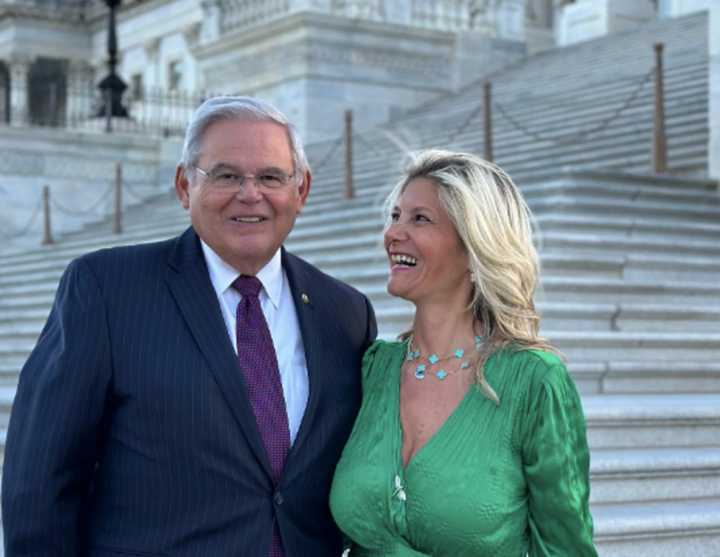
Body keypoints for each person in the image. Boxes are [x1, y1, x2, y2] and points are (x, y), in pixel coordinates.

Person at [2, 96, 377, 556]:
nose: (250, 193)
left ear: (301, 190)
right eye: (225, 175)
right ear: (184, 186)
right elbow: (39, 483)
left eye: (271, 177)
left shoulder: (345, 314)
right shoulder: (106, 292)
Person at [330, 150, 597, 556]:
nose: (394, 233)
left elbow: (565, 548)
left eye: (420, 219)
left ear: (474, 246)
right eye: (395, 216)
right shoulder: (373, 367)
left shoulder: (535, 382)